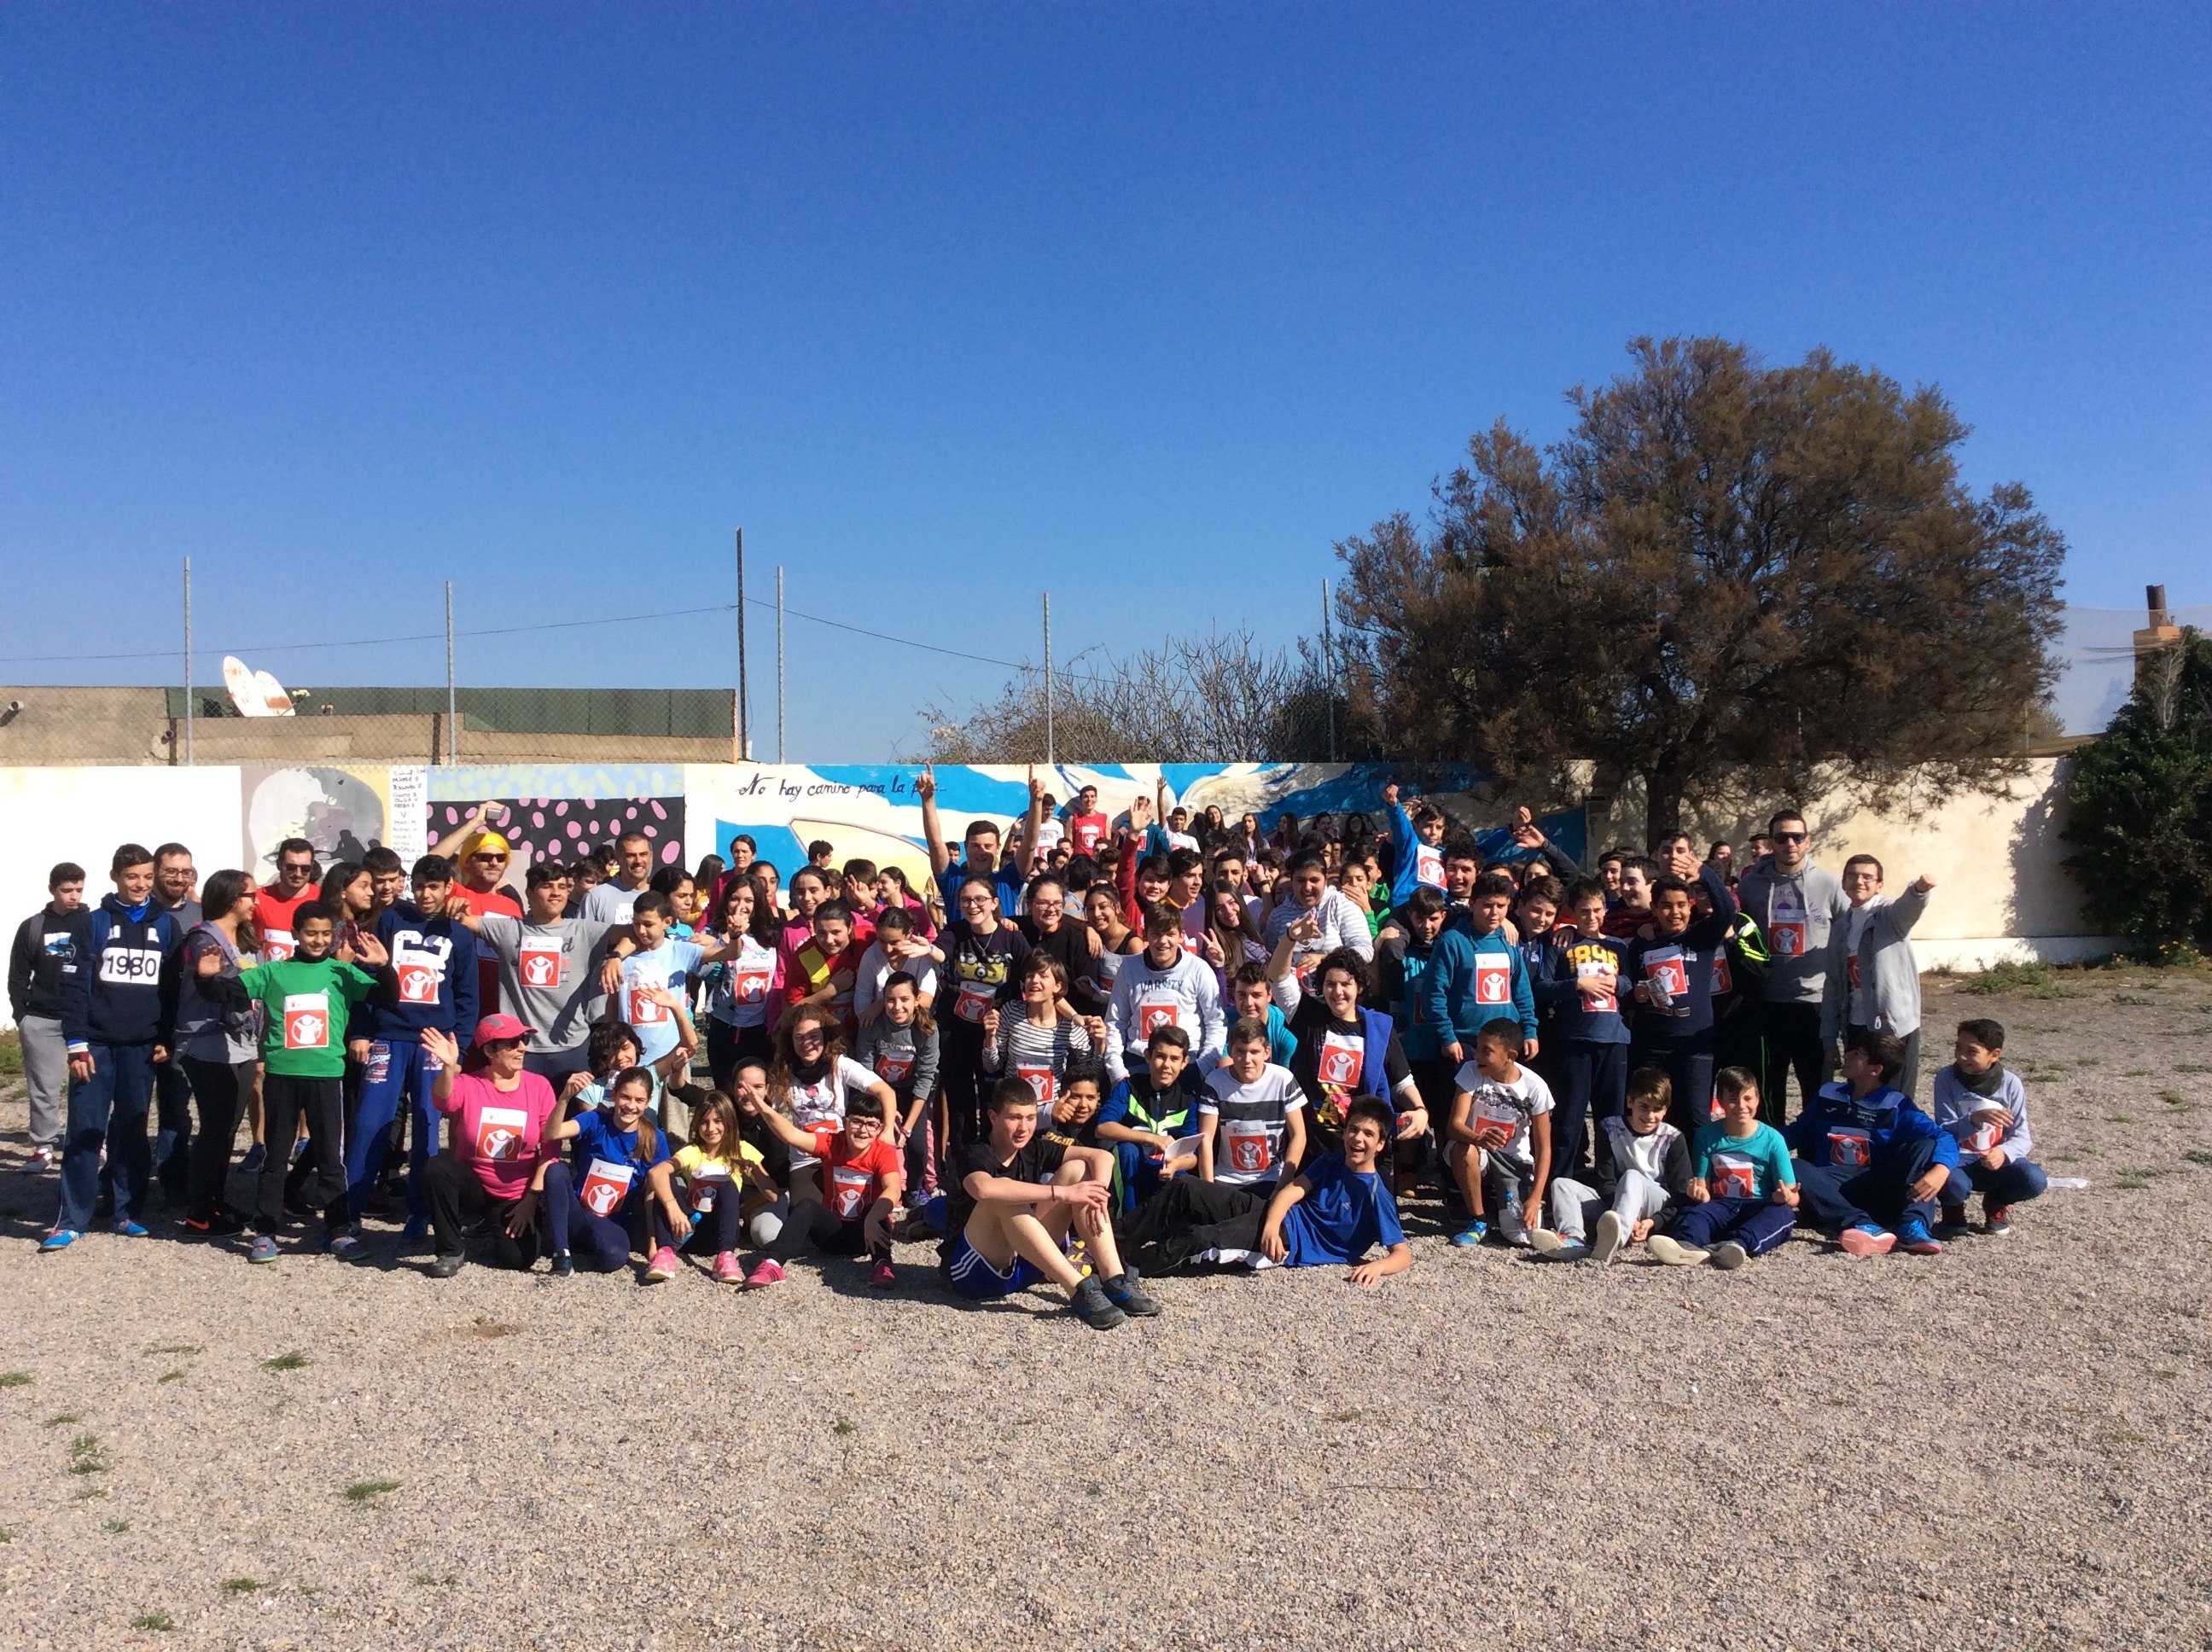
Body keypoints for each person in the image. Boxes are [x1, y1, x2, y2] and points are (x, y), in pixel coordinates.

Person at [208, 899, 386, 1262]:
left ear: (333, 935)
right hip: (281, 1076)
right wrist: (206, 976)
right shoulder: (274, 972)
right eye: (310, 934)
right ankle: (266, 1230)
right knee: (275, 1156)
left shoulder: (341, 973)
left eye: (324, 934)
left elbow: (388, 997)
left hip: (325, 1076)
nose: (318, 941)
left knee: (329, 1157)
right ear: (295, 934)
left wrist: (386, 968)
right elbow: (226, 994)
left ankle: (339, 1231)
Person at [42, 845, 187, 1253]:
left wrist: (166, 1038)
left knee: (133, 1132)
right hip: (96, 1047)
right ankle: (71, 1219)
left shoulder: (167, 926)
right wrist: (76, 1043)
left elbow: (172, 990)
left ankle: (128, 1212)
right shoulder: (93, 923)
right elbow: (71, 987)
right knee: (85, 1131)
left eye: (145, 877)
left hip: (141, 1048)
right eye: (131, 877)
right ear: (115, 877)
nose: (140, 885)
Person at [340, 854, 480, 1256]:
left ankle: (420, 1211)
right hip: (388, 1033)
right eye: (419, 885)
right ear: (409, 884)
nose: (425, 894)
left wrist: (461, 1049)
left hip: (435, 1039)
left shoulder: (460, 931)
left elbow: (467, 995)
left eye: (434, 887)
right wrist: (362, 1030)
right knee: (370, 1120)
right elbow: (368, 976)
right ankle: (348, 1211)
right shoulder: (390, 919)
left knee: (426, 1120)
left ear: (448, 888)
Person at [944, 1077, 1160, 1328]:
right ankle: (1079, 1289)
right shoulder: (975, 1152)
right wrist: (1061, 1193)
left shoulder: (1034, 1148)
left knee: (1079, 1170)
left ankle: (1115, 1280)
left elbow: (1100, 1156)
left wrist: (1097, 1193)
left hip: (1026, 1265)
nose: (1023, 1127)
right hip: (975, 1273)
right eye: (1014, 1117)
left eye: (1030, 1118)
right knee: (1003, 1196)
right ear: (993, 1117)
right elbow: (982, 1188)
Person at [1786, 1029, 1958, 1256]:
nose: (1847, 1055)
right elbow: (1798, 1132)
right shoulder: (1828, 1094)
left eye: (1857, 1053)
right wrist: (1751, 1138)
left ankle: (1912, 1225)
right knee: (1796, 1166)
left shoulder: (1896, 1105)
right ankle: (1859, 1225)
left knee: (1924, 1145)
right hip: (1831, 1187)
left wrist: (1941, 1170)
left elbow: (1943, 1137)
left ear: (1875, 1070)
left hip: (1876, 1186)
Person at [1264, 939, 1427, 1177]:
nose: (1337, 992)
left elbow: (1401, 1082)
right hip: (1315, 1143)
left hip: (1364, 1144)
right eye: (1330, 984)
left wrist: (1421, 1109)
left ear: (1359, 987)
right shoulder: (1309, 1018)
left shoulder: (1379, 1027)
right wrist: (1289, 938)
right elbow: (1277, 978)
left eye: (1345, 984)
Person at [417, 1014, 560, 1277]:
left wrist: (531, 1199)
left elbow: (551, 1148)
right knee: (437, 1166)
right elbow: (443, 1102)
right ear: (490, 1050)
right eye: (513, 1042)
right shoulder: (469, 1083)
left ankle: (493, 1225)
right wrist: (448, 1068)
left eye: (524, 1039)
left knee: (517, 1259)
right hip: (474, 1187)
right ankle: (450, 1250)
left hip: (516, 1195)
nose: (523, 1047)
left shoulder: (539, 1087)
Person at [1736, 809, 1852, 1125]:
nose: (1790, 843)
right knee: (1768, 1089)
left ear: (1808, 841)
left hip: (1813, 1003)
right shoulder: (1751, 886)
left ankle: (1814, 1161)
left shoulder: (1829, 885)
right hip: (1768, 1002)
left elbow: (1848, 932)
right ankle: (1773, 1159)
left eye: (1797, 837)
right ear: (1771, 842)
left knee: (1817, 1089)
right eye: (1781, 837)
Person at [460, 859, 621, 1085]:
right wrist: (456, 903)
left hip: (573, 1047)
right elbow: (462, 919)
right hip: (522, 1049)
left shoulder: (584, 930)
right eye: (547, 886)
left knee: (573, 1117)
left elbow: (633, 934)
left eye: (562, 887)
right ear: (530, 893)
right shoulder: (508, 930)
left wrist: (616, 956)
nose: (556, 893)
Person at [737, 1091, 905, 1289]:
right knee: (806, 1205)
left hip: (865, 1236)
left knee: (878, 1210)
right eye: (857, 1122)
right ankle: (773, 1264)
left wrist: (872, 1217)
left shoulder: (882, 1151)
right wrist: (763, 1108)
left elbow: (893, 1188)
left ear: (880, 1129)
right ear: (845, 1121)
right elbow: (792, 1135)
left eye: (871, 1125)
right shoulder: (832, 1142)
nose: (863, 1130)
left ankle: (882, 1265)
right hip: (831, 1234)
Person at [172, 869, 260, 1235]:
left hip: (241, 1044)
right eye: (250, 896)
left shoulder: (243, 937)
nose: (255, 902)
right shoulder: (202, 939)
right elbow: (221, 988)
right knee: (215, 1128)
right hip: (207, 1043)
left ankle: (216, 1201)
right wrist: (206, 977)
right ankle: (198, 1213)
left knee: (227, 1129)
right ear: (231, 899)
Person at [1645, 1067, 1800, 1269]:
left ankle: (1736, 1247)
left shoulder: (1773, 1139)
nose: (1741, 1106)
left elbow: (1793, 1196)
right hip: (1721, 1205)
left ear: (1757, 1099)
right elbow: (1703, 1185)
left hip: (1758, 1205)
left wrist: (1787, 1197)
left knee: (1783, 1215)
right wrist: (1699, 1193)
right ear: (1721, 1101)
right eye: (1733, 1099)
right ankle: (1689, 1247)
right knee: (1693, 1212)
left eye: (1747, 1098)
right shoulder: (1707, 1135)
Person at [541, 1064, 686, 1279]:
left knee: (612, 1257)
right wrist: (564, 1098)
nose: (630, 1106)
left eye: (639, 1100)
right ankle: (561, 1253)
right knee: (555, 1171)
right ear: (614, 1095)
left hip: (614, 1221)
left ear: (648, 1102)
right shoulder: (595, 1120)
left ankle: (576, 1241)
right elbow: (552, 1133)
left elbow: (652, 1191)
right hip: (579, 1210)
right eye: (625, 1097)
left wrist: (653, 1241)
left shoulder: (654, 1138)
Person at [1623, 862, 1739, 1130]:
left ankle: (1697, 1172)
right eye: (1666, 905)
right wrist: (1635, 993)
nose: (1674, 912)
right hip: (1653, 1044)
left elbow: (1727, 909)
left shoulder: (1702, 936)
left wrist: (1704, 872)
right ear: (1654, 909)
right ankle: (1656, 1170)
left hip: (1695, 1045)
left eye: (1681, 905)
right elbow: (1627, 988)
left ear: (1690, 906)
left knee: (1696, 1116)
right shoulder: (1643, 942)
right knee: (1653, 1114)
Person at [1531, 1067, 1687, 1265]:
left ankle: (1615, 1240)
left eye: (1657, 1110)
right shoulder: (1610, 1128)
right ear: (1630, 1102)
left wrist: (1652, 1222)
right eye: (1644, 1107)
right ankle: (1574, 1240)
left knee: (1631, 1176)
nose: (1650, 1116)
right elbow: (1605, 1180)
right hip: (1618, 1200)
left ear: (1665, 1110)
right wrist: (1625, 1213)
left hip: (1654, 1201)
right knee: (1562, 1184)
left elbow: (1680, 1194)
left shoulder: (1672, 1138)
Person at [1254, 1097, 1412, 1285]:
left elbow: (1402, 1254)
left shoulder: (1376, 1194)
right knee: (1214, 1198)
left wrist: (1378, 1267)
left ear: (1380, 1144)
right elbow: (1290, 1192)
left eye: (1368, 1134)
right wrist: (1271, 1225)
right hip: (1273, 1216)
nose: (1358, 1138)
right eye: (1353, 1129)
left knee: (1213, 1240)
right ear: (1344, 1133)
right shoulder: (1329, 1162)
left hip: (1291, 1242)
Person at [1535, 877, 1631, 1178]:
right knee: (1569, 1119)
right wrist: (1577, 984)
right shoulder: (1561, 944)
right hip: (1575, 1039)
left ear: (1605, 910)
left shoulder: (1617, 946)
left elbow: (1632, 984)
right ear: (1573, 914)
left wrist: (1620, 983)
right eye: (1584, 912)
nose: (1592, 917)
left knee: (1611, 1120)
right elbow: (1541, 986)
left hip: (1614, 1039)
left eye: (1597, 910)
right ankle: (1560, 1182)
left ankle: (1608, 1184)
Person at [1824, 858, 1936, 1097]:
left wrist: (1918, 891)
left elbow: (1908, 908)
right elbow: (1833, 984)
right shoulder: (1842, 927)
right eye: (1852, 876)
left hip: (1893, 1027)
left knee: (1894, 1098)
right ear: (1843, 883)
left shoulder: (1889, 917)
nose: (1859, 881)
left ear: (1879, 885)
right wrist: (1829, 1038)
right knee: (1861, 1094)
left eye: (1867, 877)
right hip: (1855, 1026)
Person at [934, 875, 1030, 1145]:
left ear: (994, 903)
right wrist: (927, 949)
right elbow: (941, 953)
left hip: (994, 1030)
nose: (972, 905)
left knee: (993, 1096)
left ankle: (993, 1156)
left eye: (980, 899)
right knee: (959, 1099)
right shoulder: (955, 931)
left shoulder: (1012, 937)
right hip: (955, 1027)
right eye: (966, 900)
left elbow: (1034, 974)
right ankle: (961, 1164)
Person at [770, 1003, 899, 1204]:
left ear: (824, 1037)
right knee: (805, 1211)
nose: (807, 1043)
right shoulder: (783, 1072)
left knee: (849, 1208)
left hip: (841, 1152)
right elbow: (773, 1113)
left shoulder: (839, 1064)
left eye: (813, 1036)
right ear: (791, 1040)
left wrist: (888, 1129)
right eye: (799, 1037)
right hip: (806, 1159)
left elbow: (885, 1091)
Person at [1445, 1017, 1554, 1249]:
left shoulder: (1535, 1087)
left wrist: (1535, 1199)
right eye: (1478, 1047)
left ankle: (1506, 1203)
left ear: (1510, 1056)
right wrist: (1478, 1138)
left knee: (1522, 1237)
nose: (1478, 1056)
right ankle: (1478, 1220)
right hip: (1478, 1150)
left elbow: (1544, 1148)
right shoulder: (1471, 1072)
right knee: (1462, 1151)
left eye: (1487, 1051)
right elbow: (1454, 1126)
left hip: (1514, 1162)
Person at [1932, 1018, 2046, 1236]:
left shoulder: (2010, 1083)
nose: (1961, 1056)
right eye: (1958, 1048)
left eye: (1971, 1051)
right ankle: (1953, 1211)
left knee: (2034, 1180)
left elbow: (2022, 1137)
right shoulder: (1946, 1078)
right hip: (1959, 1159)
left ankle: (1997, 1201)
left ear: (1994, 1055)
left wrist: (2004, 1153)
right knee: (1950, 1181)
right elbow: (1943, 1130)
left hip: (1994, 1160)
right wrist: (1974, 1120)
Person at [9, 860, 85, 1174]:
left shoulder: (94, 922)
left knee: (88, 1084)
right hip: (41, 1018)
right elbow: (17, 975)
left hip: (83, 1017)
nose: (74, 896)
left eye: (79, 889)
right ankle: (43, 1147)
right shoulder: (34, 926)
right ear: (53, 889)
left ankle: (92, 1142)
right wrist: (22, 1015)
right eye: (67, 890)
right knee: (44, 1086)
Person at [1422, 872, 1540, 1075]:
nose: (1494, 913)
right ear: (1472, 904)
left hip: (1504, 1044)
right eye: (1487, 905)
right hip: (1464, 1044)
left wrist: (1530, 1030)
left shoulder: (1510, 942)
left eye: (1501, 906)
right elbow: (1433, 993)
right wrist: (1447, 1036)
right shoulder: (1453, 941)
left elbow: (1522, 992)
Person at [1105, 900, 1227, 1081]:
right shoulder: (1128, 969)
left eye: (1170, 934)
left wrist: (1202, 1068)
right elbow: (1115, 1023)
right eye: (1156, 934)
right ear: (1145, 935)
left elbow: (1216, 1023)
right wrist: (1117, 1072)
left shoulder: (1198, 969)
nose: (1163, 942)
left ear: (1181, 936)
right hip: (1138, 1063)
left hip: (1187, 1064)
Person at [667, 1087, 774, 1283]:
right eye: (704, 1122)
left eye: (718, 1121)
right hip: (693, 1226)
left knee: (727, 1186)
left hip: (721, 1230)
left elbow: (771, 1194)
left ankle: (725, 1257)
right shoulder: (693, 1151)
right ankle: (665, 1250)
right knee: (673, 1183)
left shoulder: (742, 1149)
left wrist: (753, 1174)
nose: (711, 1128)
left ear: (729, 1123)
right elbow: (664, 1171)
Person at [1094, 1023, 1205, 1213]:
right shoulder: (1129, 1087)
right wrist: (1151, 1138)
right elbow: (1103, 1128)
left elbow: (1192, 1156)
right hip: (1133, 1171)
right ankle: (1125, 1224)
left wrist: (1176, 1164)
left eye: (1174, 1059)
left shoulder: (1189, 1099)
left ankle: (1172, 1234)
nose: (1167, 1065)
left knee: (1183, 1178)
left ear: (1185, 1062)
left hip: (1166, 1172)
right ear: (1148, 1055)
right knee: (1126, 1151)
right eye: (1160, 1056)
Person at [854, 971, 940, 1201]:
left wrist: (907, 1128)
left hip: (911, 1093)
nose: (897, 1006)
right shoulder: (872, 1024)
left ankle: (913, 1188)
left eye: (904, 999)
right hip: (877, 1090)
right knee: (876, 1139)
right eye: (891, 999)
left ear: (916, 1000)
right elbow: (865, 1072)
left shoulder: (927, 1030)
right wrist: (889, 1115)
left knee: (918, 1147)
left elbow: (925, 1078)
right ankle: (875, 1188)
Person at [919, 763, 1043, 920]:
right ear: (966, 847)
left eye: (988, 846)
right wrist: (928, 800)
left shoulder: (1008, 880)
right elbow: (935, 843)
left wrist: (1036, 801)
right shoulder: (953, 880)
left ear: (998, 848)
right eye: (976, 846)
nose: (982, 851)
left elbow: (1030, 846)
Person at [981, 953, 1095, 1120]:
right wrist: (990, 1038)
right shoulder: (1012, 1011)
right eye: (1029, 976)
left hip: (1053, 1114)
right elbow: (992, 1067)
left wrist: (1100, 1045)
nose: (1034, 980)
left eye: (1043, 976)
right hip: (1014, 1111)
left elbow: (1088, 1076)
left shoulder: (1072, 1027)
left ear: (1058, 986)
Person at [697, 876, 783, 1085]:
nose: (741, 906)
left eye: (749, 900)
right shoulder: (712, 932)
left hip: (761, 1029)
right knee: (726, 1094)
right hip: (724, 1026)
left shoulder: (771, 935)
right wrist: (728, 936)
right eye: (735, 899)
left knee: (758, 1096)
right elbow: (702, 971)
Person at [1261, 851, 1374, 964]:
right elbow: (1270, 958)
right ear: (1292, 881)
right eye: (1300, 880)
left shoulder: (1341, 904)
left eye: (1314, 880)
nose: (1307, 887)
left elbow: (1365, 951)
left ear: (1325, 880)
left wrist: (1326, 959)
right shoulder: (1278, 915)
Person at [854, 901, 937, 1024]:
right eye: (882, 941)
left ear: (909, 933)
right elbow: (862, 999)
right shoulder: (871, 955)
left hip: (915, 1023)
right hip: (881, 1025)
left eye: (894, 943)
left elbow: (926, 999)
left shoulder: (921, 955)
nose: (888, 949)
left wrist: (883, 1003)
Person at [1381, 782, 1448, 911]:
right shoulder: (1411, 846)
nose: (1433, 832)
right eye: (1428, 826)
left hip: (1437, 913)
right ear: (1416, 826)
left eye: (1439, 827)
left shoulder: (1447, 855)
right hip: (1405, 909)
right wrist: (1394, 805)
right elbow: (1401, 827)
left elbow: (1476, 853)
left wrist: (1501, 834)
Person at [253, 837, 323, 963]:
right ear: (279, 865)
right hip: (269, 977)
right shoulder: (258, 899)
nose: (298, 873)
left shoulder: (324, 898)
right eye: (291, 867)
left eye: (305, 868)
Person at [579, 830, 658, 925]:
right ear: (618, 859)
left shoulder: (663, 896)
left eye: (643, 854)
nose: (638, 861)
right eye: (630, 856)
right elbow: (581, 937)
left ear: (651, 857)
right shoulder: (597, 897)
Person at [1065, 785, 1111, 859]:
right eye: (1086, 797)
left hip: (1098, 860)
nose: (1089, 799)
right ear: (1081, 799)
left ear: (1096, 799)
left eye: (1092, 796)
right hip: (1080, 860)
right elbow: (1068, 844)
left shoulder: (1104, 818)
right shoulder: (1073, 818)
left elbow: (1108, 843)